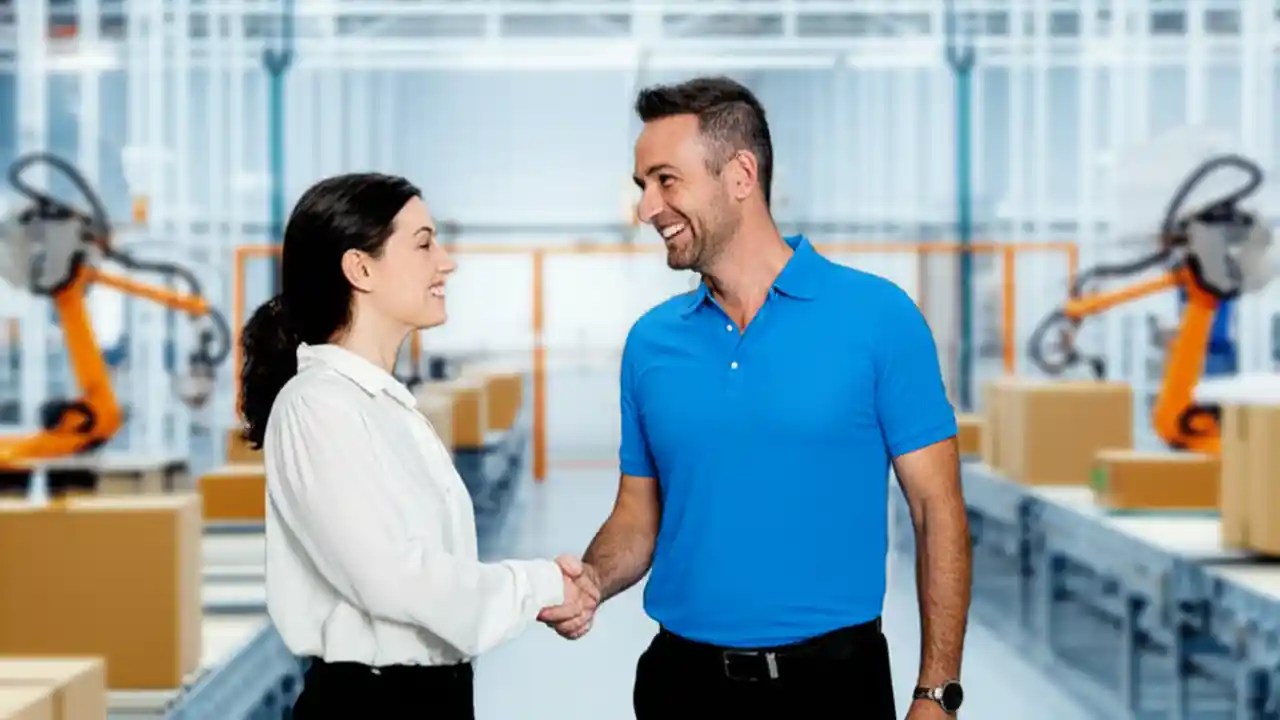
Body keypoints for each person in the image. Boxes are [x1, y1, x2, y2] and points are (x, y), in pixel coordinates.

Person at [537, 76, 973, 718]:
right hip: (680, 684)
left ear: (741, 174)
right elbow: (638, 515)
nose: (647, 208)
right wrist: (595, 580)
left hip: (831, 687)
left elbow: (938, 512)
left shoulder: (879, 318)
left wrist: (937, 693)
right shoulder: (651, 343)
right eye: (641, 186)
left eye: (665, 180)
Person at [238, 173, 597, 719]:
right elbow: (392, 577)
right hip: (372, 703)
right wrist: (540, 585)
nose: (445, 262)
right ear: (359, 268)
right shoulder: (317, 405)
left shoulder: (385, 405)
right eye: (425, 243)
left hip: (431, 695)